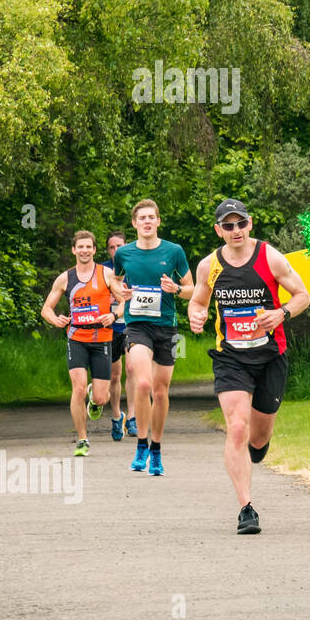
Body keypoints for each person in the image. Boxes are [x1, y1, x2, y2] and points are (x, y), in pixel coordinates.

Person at [188, 199, 310, 534]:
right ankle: (246, 508)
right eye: (227, 226)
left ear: (250, 224)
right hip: (230, 358)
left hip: (271, 356)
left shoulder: (270, 257)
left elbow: (302, 295)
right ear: (218, 230)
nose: (235, 231)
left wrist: (282, 313)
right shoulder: (208, 266)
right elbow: (198, 301)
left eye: (240, 223)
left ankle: (257, 448)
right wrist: (195, 315)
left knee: (258, 437)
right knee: (237, 428)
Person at [107, 200, 194, 476]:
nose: (146, 221)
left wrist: (176, 288)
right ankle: (141, 443)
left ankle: (156, 448)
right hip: (137, 326)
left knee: (160, 390)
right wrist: (122, 293)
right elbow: (114, 280)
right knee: (142, 382)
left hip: (166, 328)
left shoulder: (174, 251)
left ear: (158, 221)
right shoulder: (124, 253)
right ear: (134, 224)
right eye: (141, 218)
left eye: (151, 217)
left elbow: (193, 288)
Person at [39, 231, 116, 456]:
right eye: (80, 247)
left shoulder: (107, 274)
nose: (84, 250)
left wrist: (113, 315)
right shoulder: (65, 278)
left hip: (102, 338)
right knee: (78, 387)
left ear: (94, 250)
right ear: (74, 250)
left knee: (102, 397)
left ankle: (95, 398)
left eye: (88, 247)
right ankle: (82, 439)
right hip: (76, 338)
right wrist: (57, 320)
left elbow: (124, 303)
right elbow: (46, 309)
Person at [104, 231, 135, 440]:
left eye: (119, 246)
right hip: (111, 326)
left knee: (132, 370)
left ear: (126, 246)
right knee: (114, 375)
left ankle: (133, 418)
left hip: (132, 325)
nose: (116, 251)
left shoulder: (135, 265)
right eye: (112, 247)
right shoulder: (103, 271)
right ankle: (117, 416)